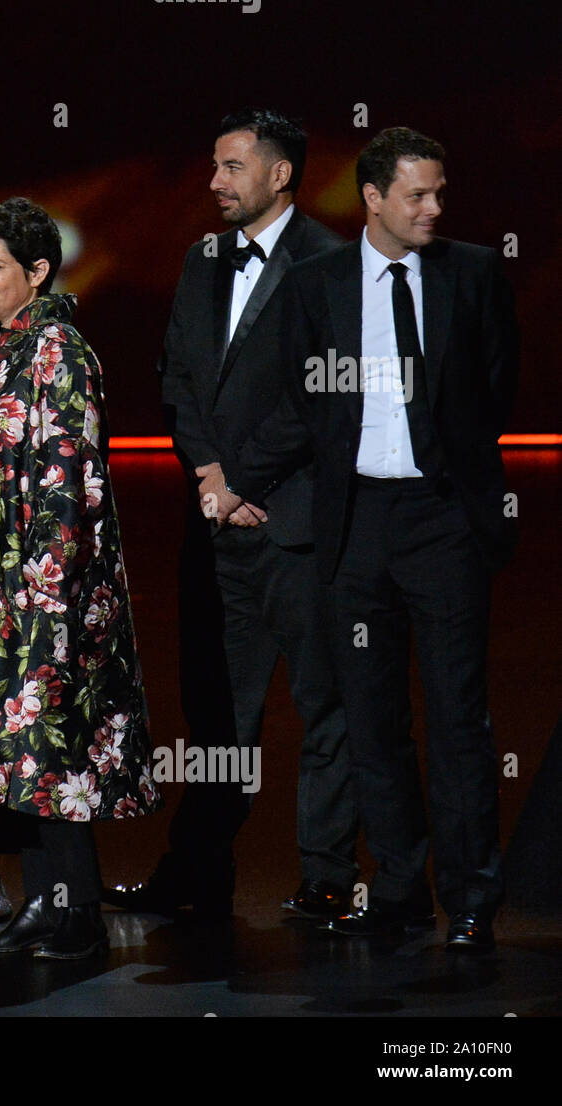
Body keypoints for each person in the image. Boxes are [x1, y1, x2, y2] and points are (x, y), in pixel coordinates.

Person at [221, 128, 519, 952]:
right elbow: (298, 400)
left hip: (443, 522)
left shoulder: (473, 274)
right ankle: (397, 888)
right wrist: (233, 476)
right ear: (375, 198)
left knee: (460, 719)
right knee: (372, 717)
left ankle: (469, 897)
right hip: (354, 529)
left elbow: (494, 392)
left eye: (439, 193)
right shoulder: (318, 285)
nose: (434, 208)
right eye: (417, 194)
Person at [115, 109, 356, 921]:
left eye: (231, 167)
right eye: (213, 166)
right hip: (218, 531)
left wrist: (241, 477)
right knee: (219, 713)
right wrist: (210, 476)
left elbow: (318, 394)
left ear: (279, 175)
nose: (215, 182)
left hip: (297, 529)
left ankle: (326, 876)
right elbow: (179, 375)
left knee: (326, 704)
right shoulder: (201, 259)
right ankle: (199, 873)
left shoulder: (330, 263)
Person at [0, 198, 161, 961]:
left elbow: (70, 481)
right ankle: (47, 907)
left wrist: (45, 597)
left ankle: (79, 915)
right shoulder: (6, 345)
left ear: (36, 272)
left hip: (42, 593)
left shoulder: (59, 350)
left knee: (52, 747)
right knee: (22, 751)